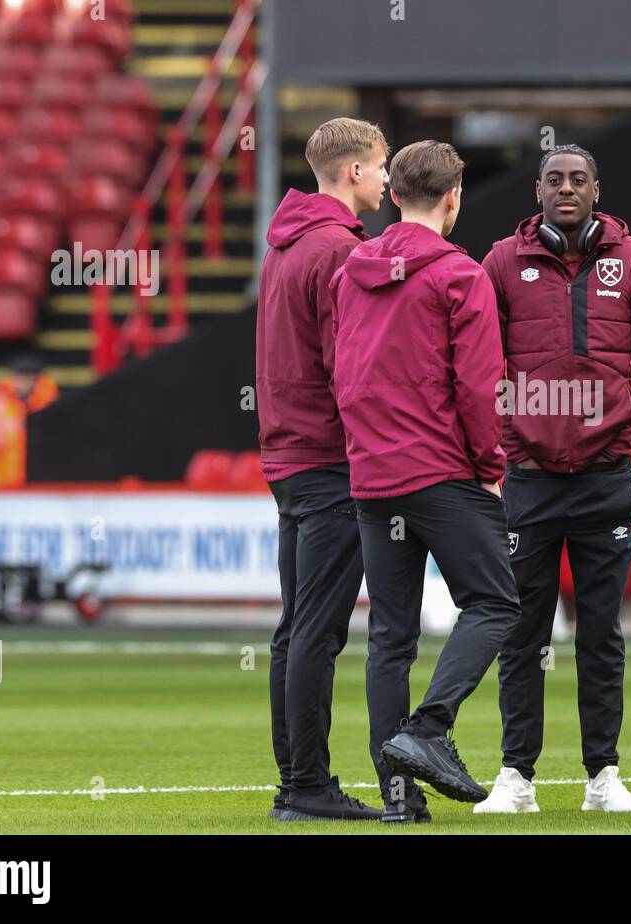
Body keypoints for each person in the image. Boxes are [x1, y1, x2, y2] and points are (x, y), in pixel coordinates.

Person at [326, 140, 520, 822]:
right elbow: (477, 387)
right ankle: (430, 729)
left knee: (390, 638)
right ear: (453, 198)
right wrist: (490, 468)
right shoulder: (460, 276)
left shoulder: (352, 270)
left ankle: (400, 797)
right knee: (496, 602)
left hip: (373, 474)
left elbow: (339, 370)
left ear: (396, 192)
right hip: (441, 470)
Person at [475, 145, 631, 814]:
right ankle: (516, 777)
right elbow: (476, 363)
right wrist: (511, 439)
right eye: (555, 179)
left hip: (604, 481)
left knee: (600, 635)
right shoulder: (502, 261)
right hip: (529, 480)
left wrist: (620, 434)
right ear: (536, 190)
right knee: (521, 632)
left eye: (577, 179)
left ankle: (603, 777)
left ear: (596, 191)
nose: (566, 188)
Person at [255, 117, 389, 822]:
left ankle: (294, 779)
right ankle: (307, 784)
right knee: (318, 630)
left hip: (287, 454)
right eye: (382, 166)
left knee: (295, 626)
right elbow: (353, 368)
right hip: (329, 459)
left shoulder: (286, 244)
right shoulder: (339, 251)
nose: (389, 179)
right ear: (355, 173)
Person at [0, 354, 59, 488]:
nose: (24, 382)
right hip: (4, 478)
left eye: (29, 377)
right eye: (20, 377)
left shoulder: (51, 403)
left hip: (43, 481)